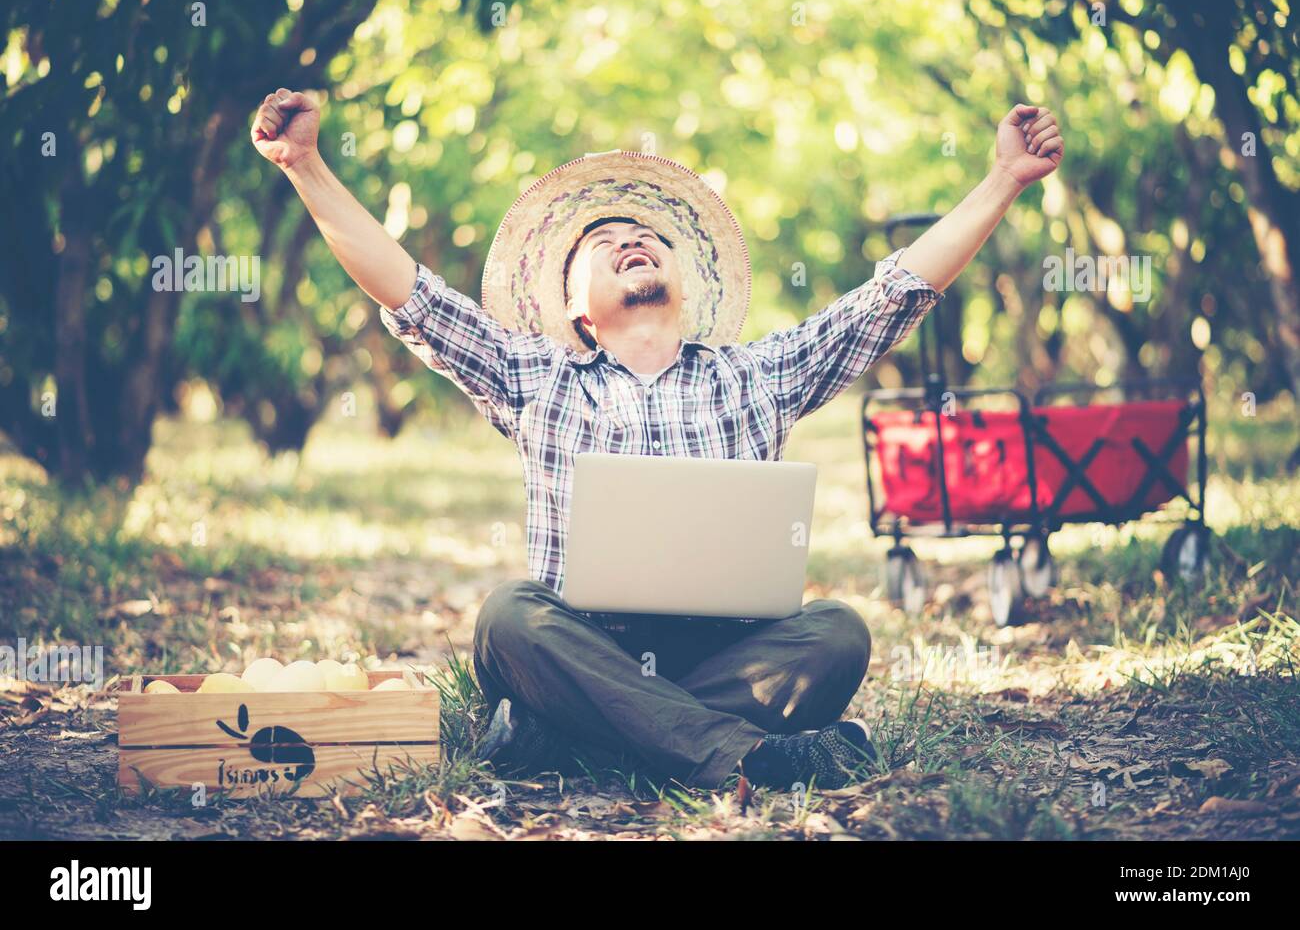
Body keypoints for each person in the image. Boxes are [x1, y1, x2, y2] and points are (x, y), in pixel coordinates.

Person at [250, 88, 1064, 790]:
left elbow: (897, 294)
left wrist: (1002, 180)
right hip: (580, 645)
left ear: (683, 278)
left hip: (720, 659)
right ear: (576, 311)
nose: (628, 241)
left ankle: (581, 738)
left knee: (838, 633)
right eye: (600, 246)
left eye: (644, 237)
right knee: (507, 618)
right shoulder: (536, 377)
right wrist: (305, 166)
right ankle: (741, 756)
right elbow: (409, 293)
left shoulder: (758, 375)